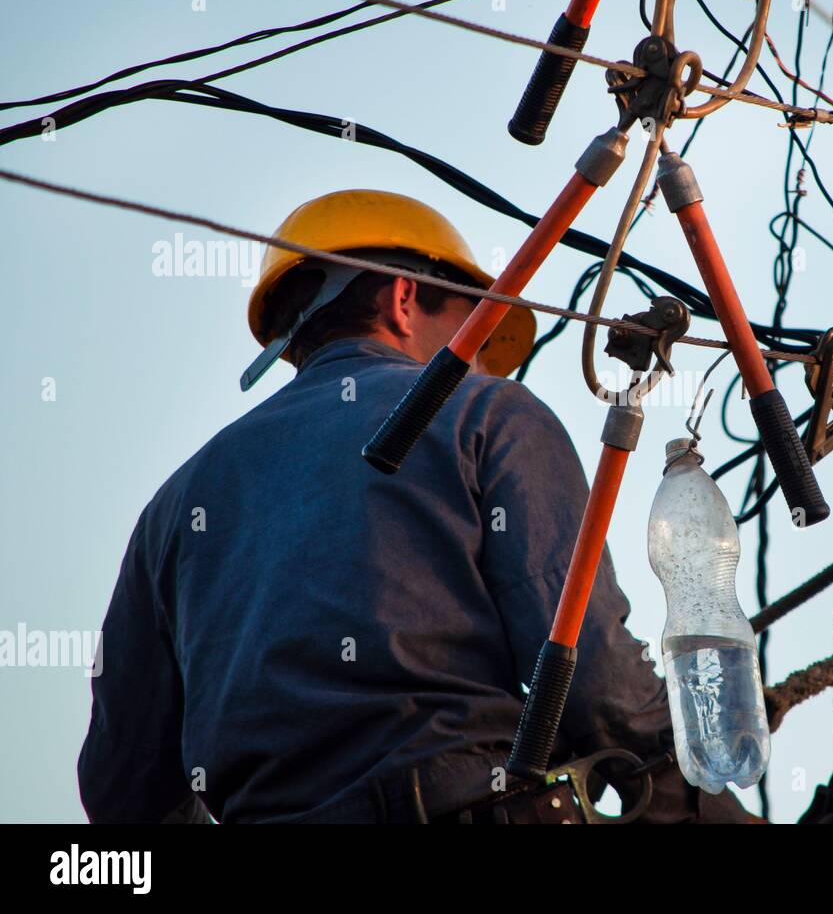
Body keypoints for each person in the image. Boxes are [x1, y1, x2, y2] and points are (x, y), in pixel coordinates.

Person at [77, 189, 756, 823]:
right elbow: (593, 680)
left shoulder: (175, 506)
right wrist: (708, 801)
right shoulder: (487, 413)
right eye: (477, 335)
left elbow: (122, 787)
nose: (484, 362)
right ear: (403, 299)